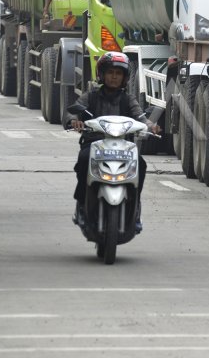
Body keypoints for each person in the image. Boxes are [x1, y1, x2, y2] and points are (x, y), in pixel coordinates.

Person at [66, 52, 160, 230]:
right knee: (83, 161)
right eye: (110, 72)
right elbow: (72, 111)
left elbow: (141, 117)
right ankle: (81, 205)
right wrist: (73, 120)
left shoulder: (128, 98)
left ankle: (135, 208)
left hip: (123, 147)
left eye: (118, 73)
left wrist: (150, 126)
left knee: (141, 164)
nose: (114, 77)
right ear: (101, 74)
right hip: (94, 145)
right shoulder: (91, 95)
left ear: (124, 77)